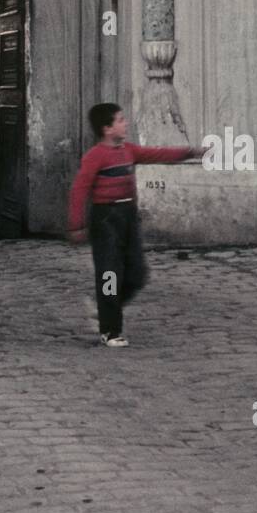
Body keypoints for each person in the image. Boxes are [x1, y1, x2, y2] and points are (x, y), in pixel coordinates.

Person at [68, 103, 199, 347]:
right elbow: (79, 190)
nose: (125, 123)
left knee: (136, 275)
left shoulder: (129, 150)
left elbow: (158, 154)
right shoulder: (95, 156)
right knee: (109, 274)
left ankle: (104, 307)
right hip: (106, 219)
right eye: (120, 120)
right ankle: (110, 330)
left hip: (127, 217)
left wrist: (190, 152)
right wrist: (76, 225)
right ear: (107, 129)